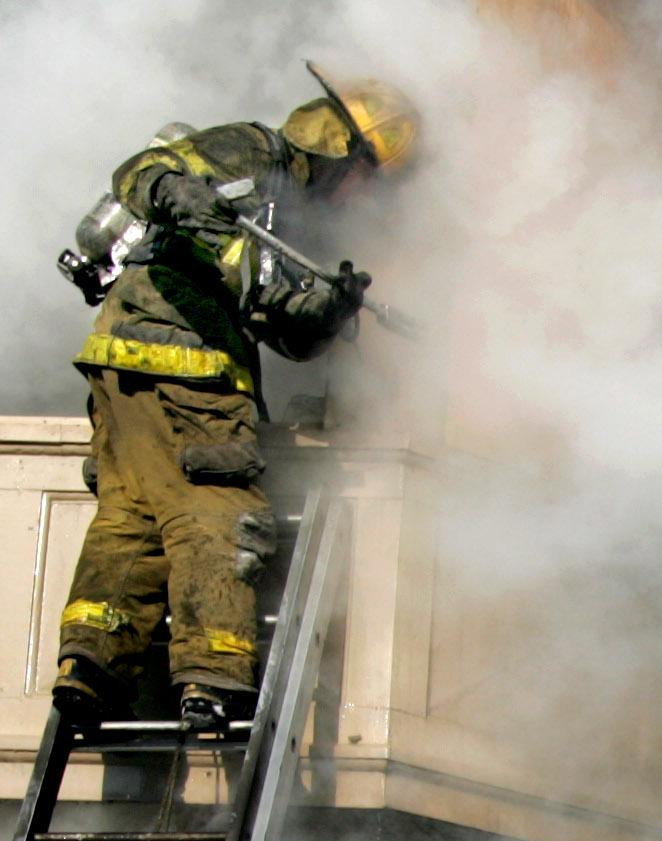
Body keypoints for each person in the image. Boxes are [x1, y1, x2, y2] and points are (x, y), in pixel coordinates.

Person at [55, 69, 419, 739]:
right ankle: (211, 676)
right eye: (371, 173)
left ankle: (90, 664)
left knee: (131, 514)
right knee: (220, 511)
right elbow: (142, 171)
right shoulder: (256, 153)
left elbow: (282, 328)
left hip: (119, 359)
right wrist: (188, 200)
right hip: (185, 356)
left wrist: (328, 308)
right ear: (343, 146)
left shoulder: (299, 222)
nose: (369, 193)